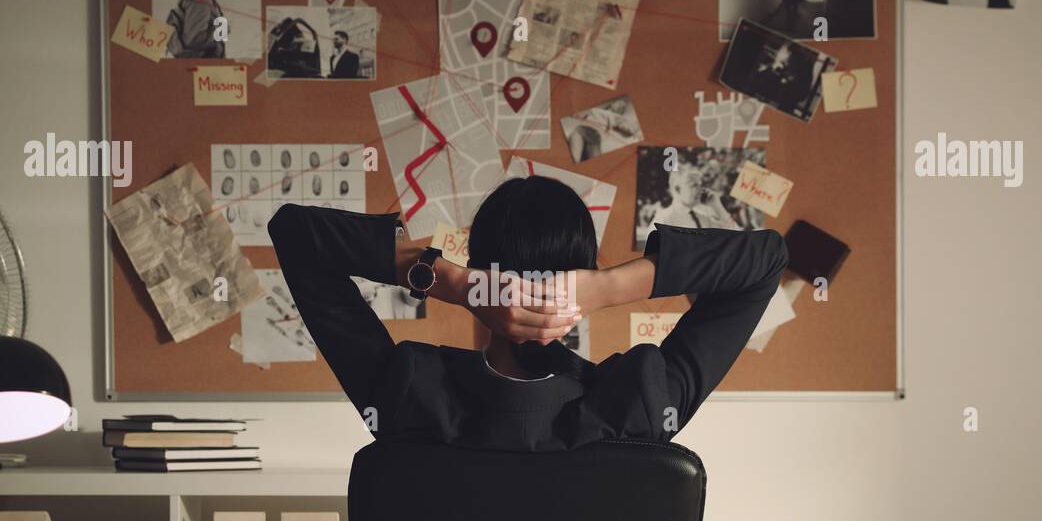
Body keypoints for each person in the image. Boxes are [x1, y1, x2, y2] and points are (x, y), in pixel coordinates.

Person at [269, 174, 786, 451]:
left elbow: (294, 233)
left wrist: (450, 282)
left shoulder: (406, 391)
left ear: (479, 269)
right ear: (584, 269)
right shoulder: (643, 402)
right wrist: (610, 287)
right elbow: (765, 262)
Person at [652, 167, 739, 230]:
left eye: (700, 184)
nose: (700, 189)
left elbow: (736, 238)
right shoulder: (664, 220)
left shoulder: (705, 216)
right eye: (694, 185)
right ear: (677, 189)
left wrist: (718, 207)